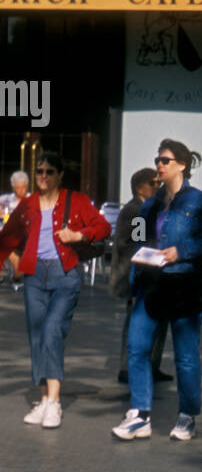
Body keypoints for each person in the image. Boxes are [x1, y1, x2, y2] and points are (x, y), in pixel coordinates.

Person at [112, 139, 202, 443]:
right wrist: (134, 284)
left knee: (185, 357)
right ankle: (140, 414)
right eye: (157, 160)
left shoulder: (199, 202)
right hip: (151, 286)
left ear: (182, 165)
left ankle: (187, 415)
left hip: (185, 287)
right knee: (137, 349)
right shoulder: (150, 205)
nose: (159, 165)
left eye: (165, 160)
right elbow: (137, 243)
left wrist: (182, 250)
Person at [0, 151, 111, 428]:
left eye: (50, 171)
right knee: (37, 336)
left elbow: (103, 226)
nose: (43, 176)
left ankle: (55, 401)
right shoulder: (27, 205)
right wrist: (11, 258)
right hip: (35, 275)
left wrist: (79, 234)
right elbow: (7, 238)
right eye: (39, 172)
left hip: (65, 275)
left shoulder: (77, 201)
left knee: (52, 331)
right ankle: (44, 400)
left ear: (60, 175)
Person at [109, 167, 171, 387]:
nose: (157, 187)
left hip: (152, 271)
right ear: (139, 187)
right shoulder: (136, 209)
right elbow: (137, 243)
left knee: (160, 319)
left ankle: (152, 365)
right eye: (152, 183)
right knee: (135, 321)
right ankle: (126, 368)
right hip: (137, 273)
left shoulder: (150, 208)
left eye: (157, 183)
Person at [0, 170, 30, 289]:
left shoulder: (33, 200)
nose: (21, 190)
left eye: (23, 187)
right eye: (18, 187)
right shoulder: (5, 199)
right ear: (13, 187)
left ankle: (17, 276)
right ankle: (16, 277)